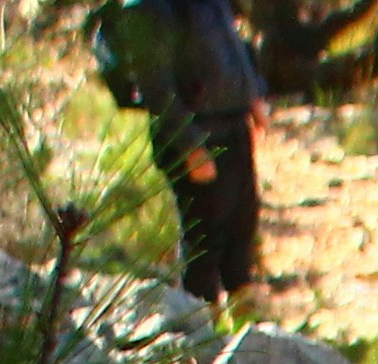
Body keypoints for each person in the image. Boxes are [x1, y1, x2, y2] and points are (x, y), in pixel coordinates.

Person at [93, 0, 266, 301]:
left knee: (242, 225)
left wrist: (251, 97)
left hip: (232, 125)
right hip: (195, 135)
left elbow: (231, 45)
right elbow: (155, 86)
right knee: (204, 243)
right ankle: (199, 333)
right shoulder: (148, 7)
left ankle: (245, 333)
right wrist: (190, 146)